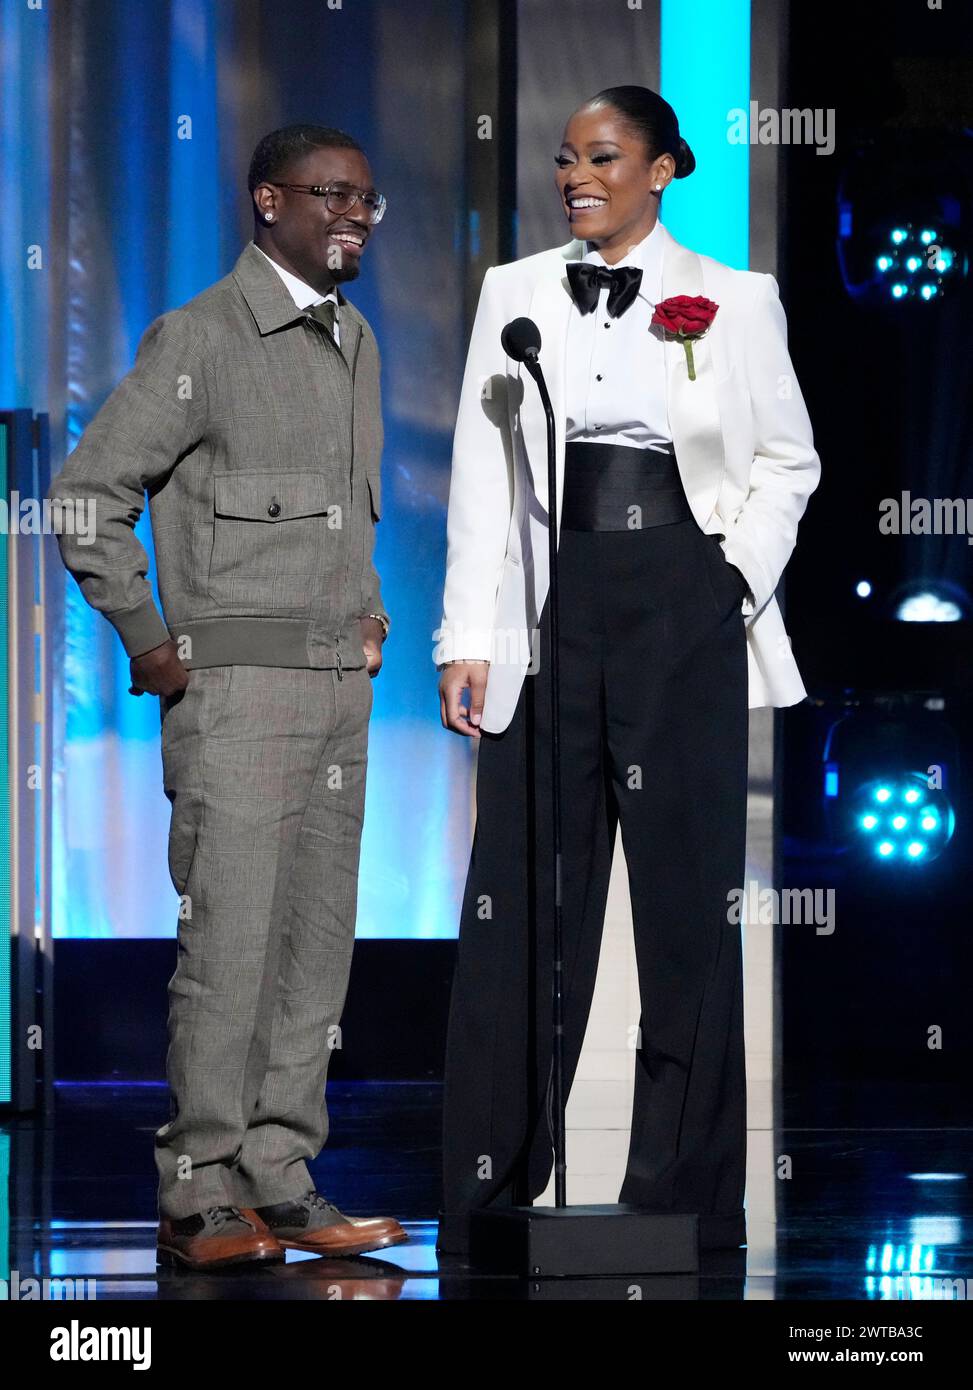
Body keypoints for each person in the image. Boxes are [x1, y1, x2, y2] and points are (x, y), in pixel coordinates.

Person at [435, 86, 821, 1252]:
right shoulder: (514, 293)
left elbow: (787, 462)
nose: (574, 176)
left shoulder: (737, 300)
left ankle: (684, 1199)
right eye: (563, 160)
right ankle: (494, 1186)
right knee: (524, 907)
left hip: (682, 605)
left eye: (601, 157)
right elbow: (480, 477)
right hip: (553, 610)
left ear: (662, 170)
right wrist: (469, 632)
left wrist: (726, 583)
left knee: (686, 913)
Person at [48, 124, 406, 1270]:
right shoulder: (200, 336)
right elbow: (87, 496)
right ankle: (195, 1183)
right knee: (231, 946)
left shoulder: (358, 338)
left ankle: (280, 1176)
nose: (354, 213)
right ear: (268, 200)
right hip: (237, 689)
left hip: (336, 691)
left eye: (366, 199)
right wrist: (150, 642)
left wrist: (367, 618)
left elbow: (340, 515)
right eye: (330, 194)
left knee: (316, 947)